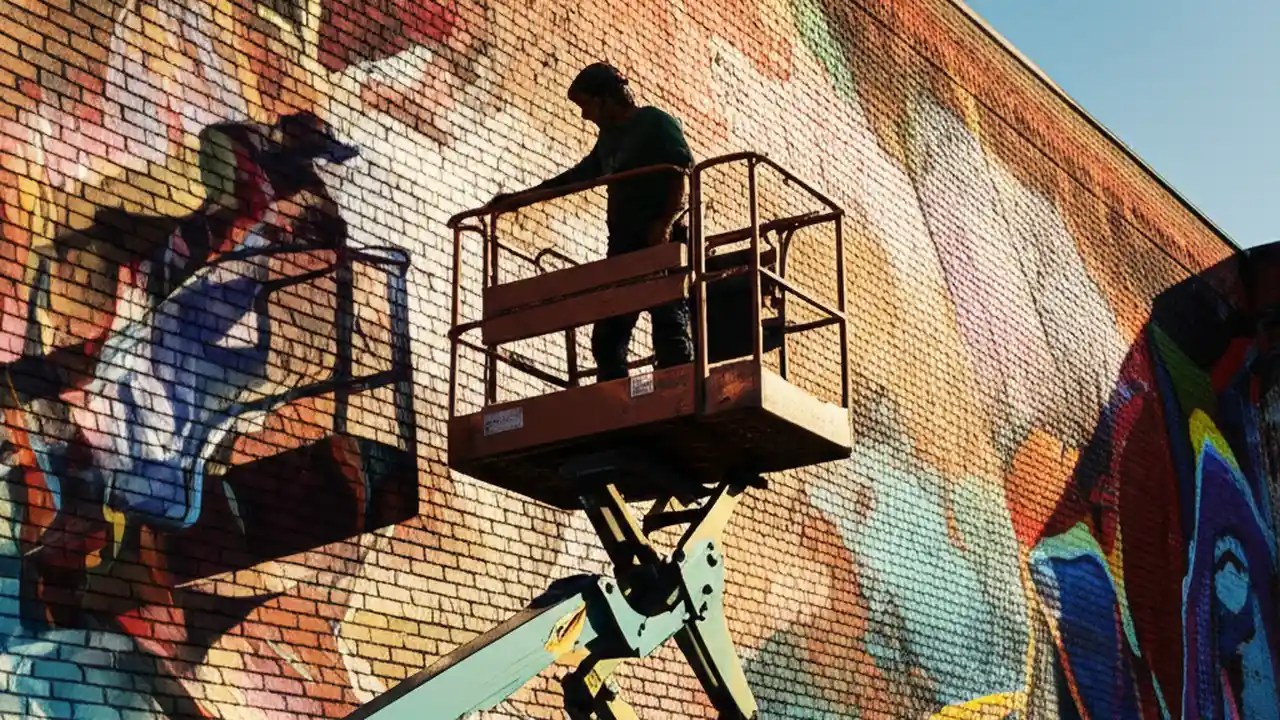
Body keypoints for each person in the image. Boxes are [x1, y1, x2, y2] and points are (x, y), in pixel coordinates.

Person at [490, 62, 695, 382]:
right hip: (624, 248)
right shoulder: (609, 140)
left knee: (669, 327)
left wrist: (665, 225)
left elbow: (682, 174)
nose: (585, 116)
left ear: (606, 99)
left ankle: (679, 392)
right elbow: (578, 177)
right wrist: (520, 198)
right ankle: (617, 402)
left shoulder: (654, 122)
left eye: (586, 105)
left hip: (661, 243)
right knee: (608, 338)